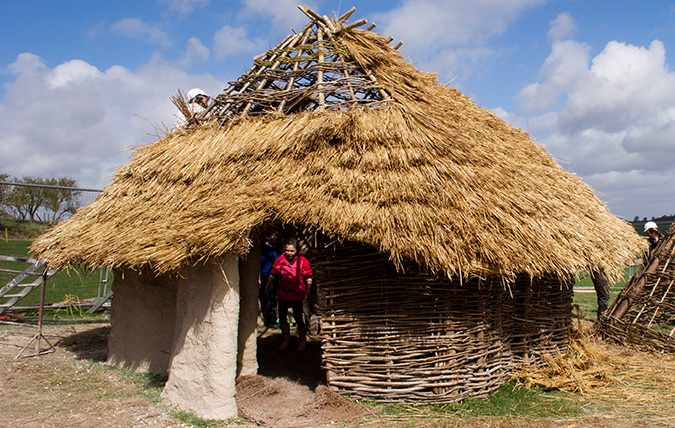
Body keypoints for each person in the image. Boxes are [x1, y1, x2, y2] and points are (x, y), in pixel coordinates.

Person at [265, 238, 313, 351]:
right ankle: (286, 340)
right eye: (287, 250)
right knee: (282, 317)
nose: (289, 253)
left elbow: (308, 276)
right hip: (283, 293)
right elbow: (273, 274)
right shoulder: (280, 261)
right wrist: (266, 287)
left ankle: (302, 340)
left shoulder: (302, 261)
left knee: (298, 317)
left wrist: (308, 288)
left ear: (297, 250)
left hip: (297, 294)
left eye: (292, 251)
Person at [259, 230, 281, 329]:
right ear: (268, 237)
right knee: (269, 297)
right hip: (267, 275)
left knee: (274, 298)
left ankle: (273, 319)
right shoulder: (264, 249)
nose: (275, 237)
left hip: (276, 276)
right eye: (273, 235)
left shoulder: (276, 248)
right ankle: (270, 320)